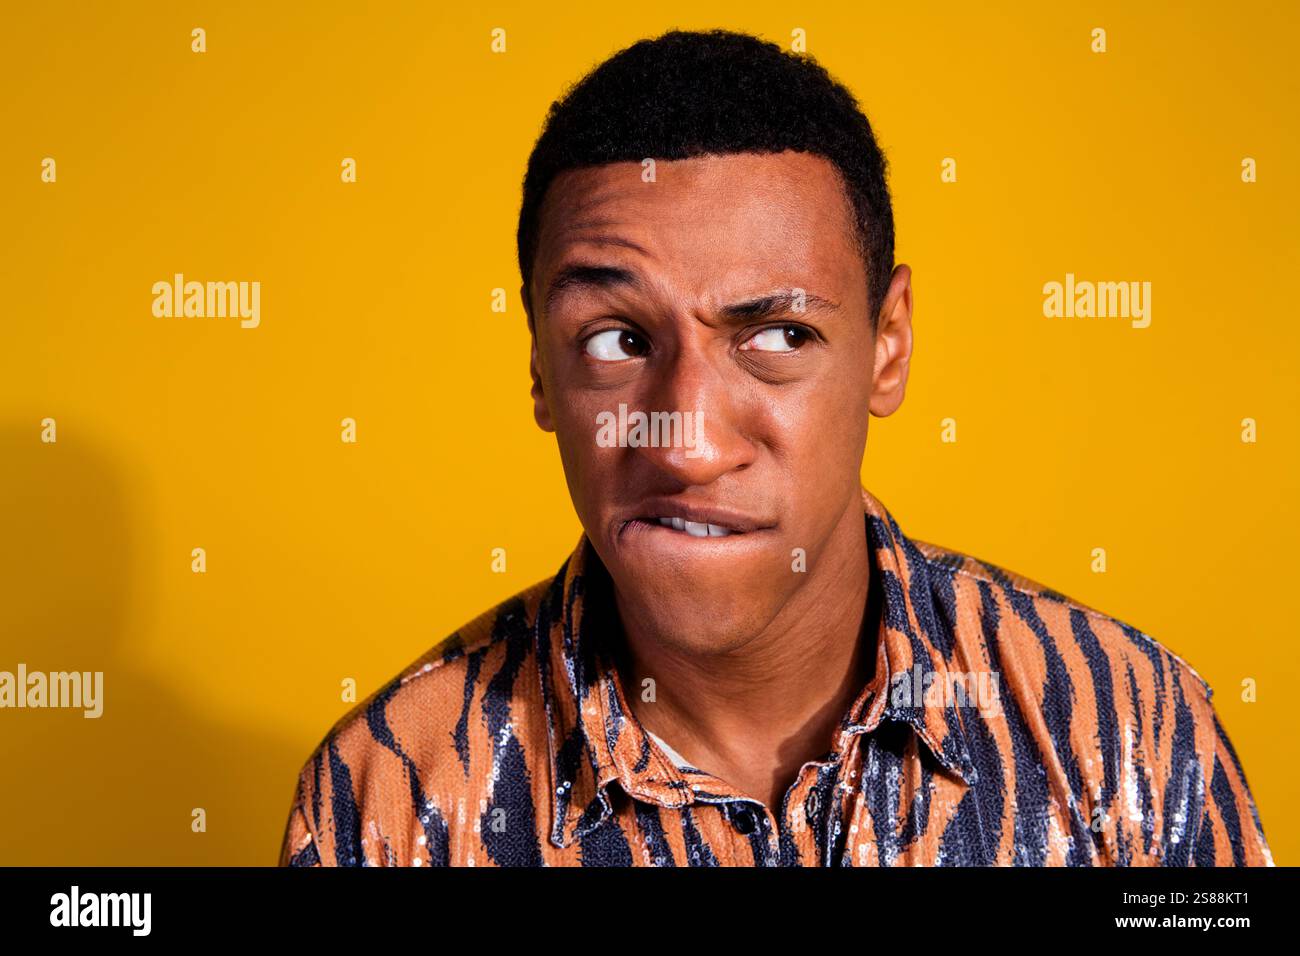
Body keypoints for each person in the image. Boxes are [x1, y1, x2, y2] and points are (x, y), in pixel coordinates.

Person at [278, 28, 1271, 867]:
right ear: (540, 366)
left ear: (888, 346)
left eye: (778, 336)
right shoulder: (390, 797)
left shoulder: (1126, 734)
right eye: (618, 339)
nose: (690, 442)